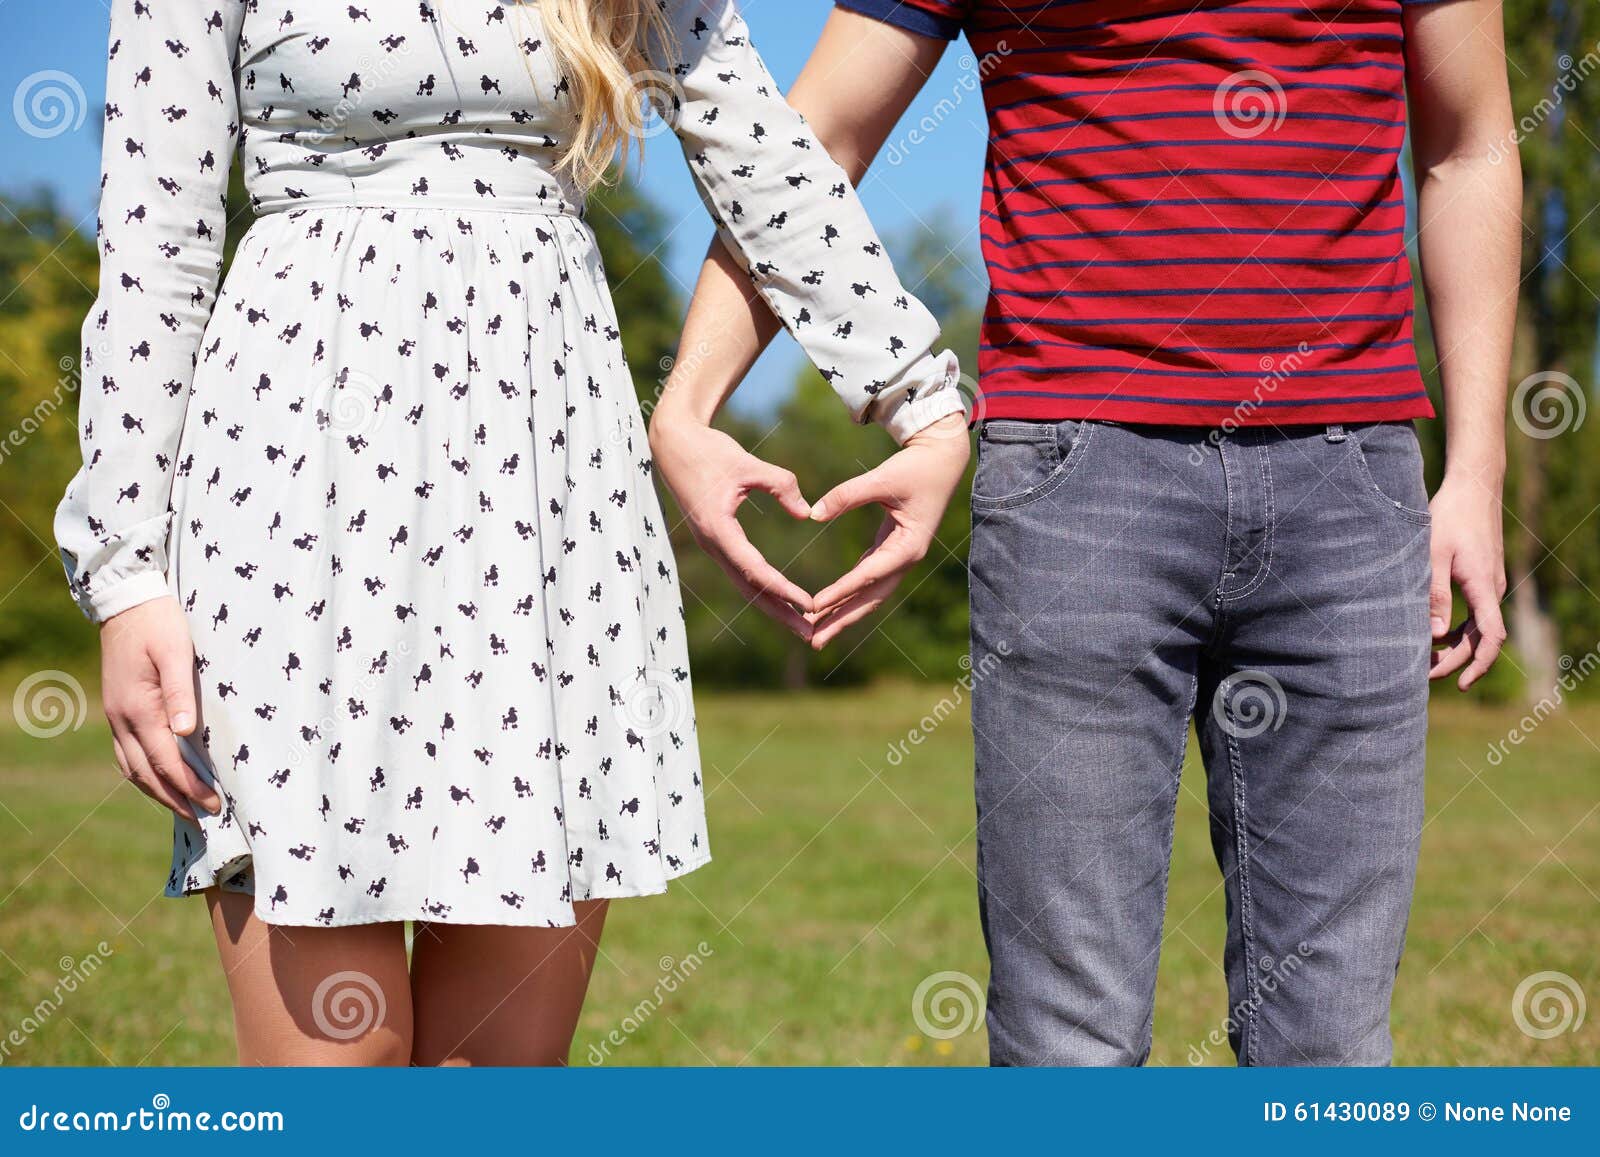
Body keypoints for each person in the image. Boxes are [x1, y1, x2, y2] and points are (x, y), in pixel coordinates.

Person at [55, 0, 963, 1066]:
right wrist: (124, 569)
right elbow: (155, 249)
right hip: (294, 493)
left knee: (498, 1082)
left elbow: (761, 150)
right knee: (332, 1070)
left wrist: (921, 397)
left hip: (542, 490)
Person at [653, 0, 1519, 1064]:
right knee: (1067, 1039)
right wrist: (688, 398)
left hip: (1349, 480)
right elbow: (812, 139)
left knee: (1332, 1044)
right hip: (1077, 487)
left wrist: (1476, 469)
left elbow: (1471, 141)